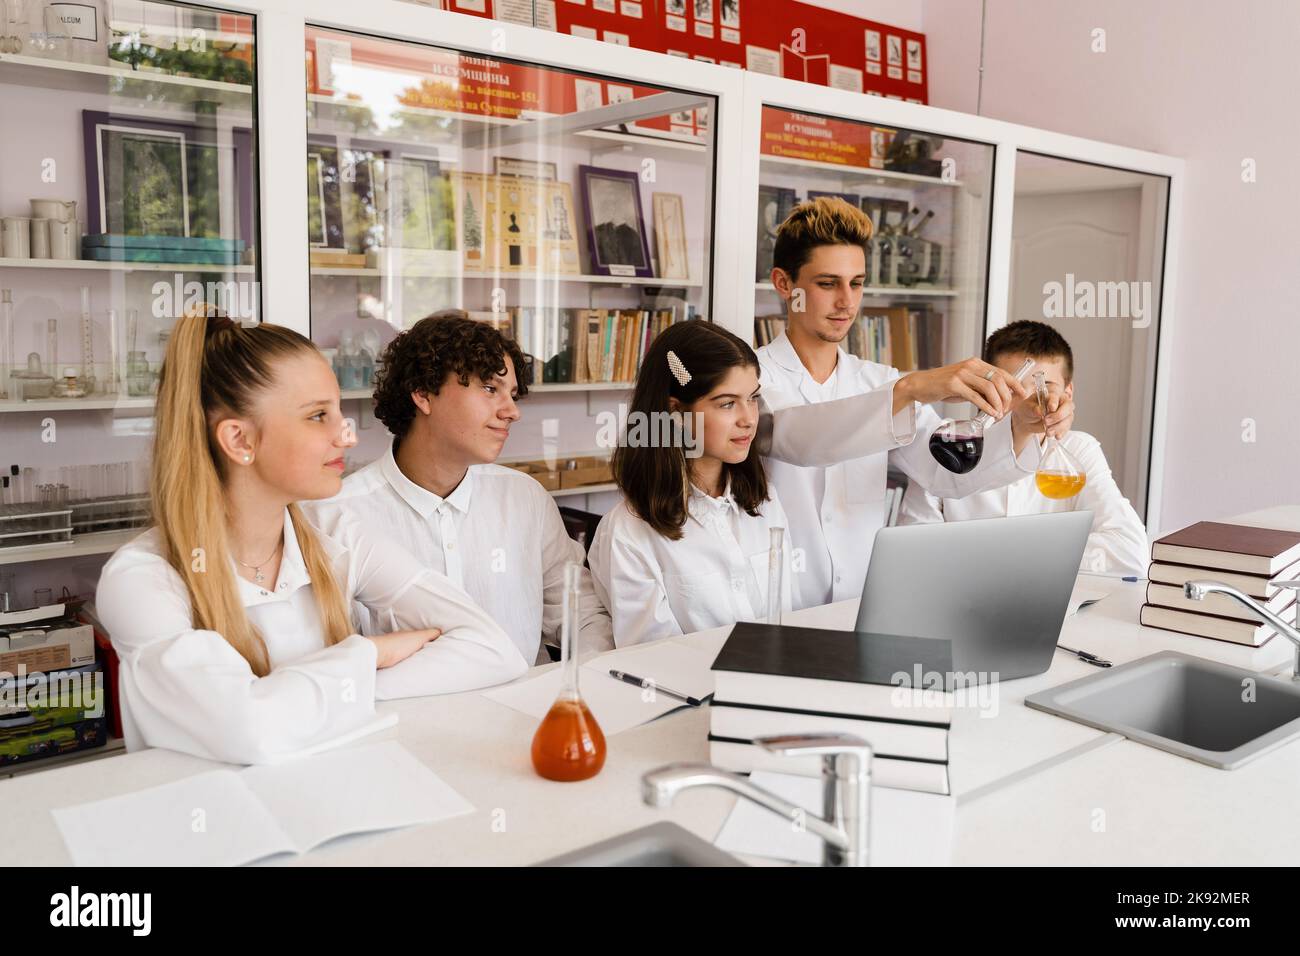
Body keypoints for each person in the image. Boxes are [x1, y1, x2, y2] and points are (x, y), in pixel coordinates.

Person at [95, 312, 528, 765]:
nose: (346, 436)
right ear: (240, 439)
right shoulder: (142, 579)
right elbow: (248, 728)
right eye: (318, 415)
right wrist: (367, 655)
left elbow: (494, 649)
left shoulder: (336, 534)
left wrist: (325, 692)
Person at [756, 196, 1076, 608]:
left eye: (856, 283)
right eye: (827, 283)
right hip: (776, 610)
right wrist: (910, 389)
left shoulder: (878, 380)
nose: (847, 302)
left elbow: (947, 476)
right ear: (785, 284)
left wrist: (1025, 427)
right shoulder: (751, 378)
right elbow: (799, 438)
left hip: (857, 607)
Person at [304, 311, 613, 664]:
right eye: (489, 388)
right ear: (423, 393)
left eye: (512, 394)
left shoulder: (525, 499)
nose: (512, 411)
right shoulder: (335, 515)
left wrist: (579, 690)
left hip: (526, 708)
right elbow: (339, 659)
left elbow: (584, 614)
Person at [589, 320, 793, 645]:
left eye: (752, 398)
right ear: (675, 413)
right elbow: (652, 663)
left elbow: (785, 625)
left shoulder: (764, 502)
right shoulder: (629, 533)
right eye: (727, 403)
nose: (749, 418)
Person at [898, 320, 1149, 575]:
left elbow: (1130, 552)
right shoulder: (946, 445)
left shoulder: (1079, 450)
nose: (1028, 402)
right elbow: (912, 556)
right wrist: (1051, 555)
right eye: (1011, 388)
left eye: (1044, 389)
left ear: (1068, 393)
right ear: (983, 389)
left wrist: (1009, 558)